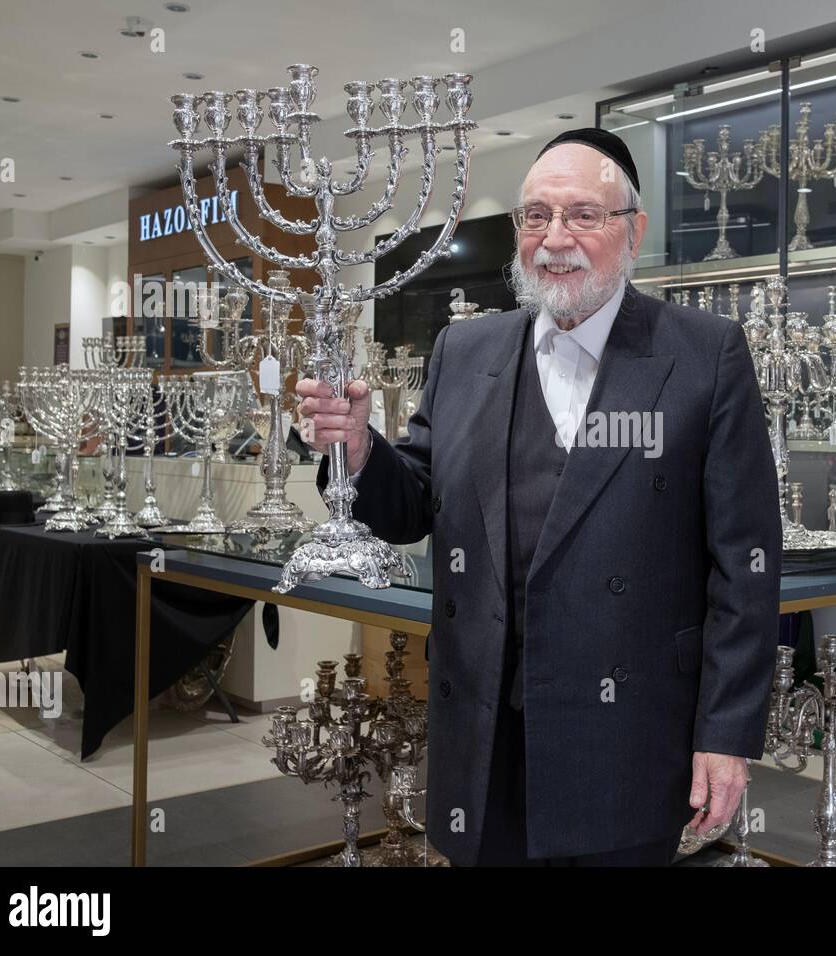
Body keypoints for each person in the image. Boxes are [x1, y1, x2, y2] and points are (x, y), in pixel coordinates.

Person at [296, 128, 781, 866]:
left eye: (584, 214)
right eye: (535, 217)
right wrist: (360, 450)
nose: (556, 238)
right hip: (485, 736)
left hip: (626, 739)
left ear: (633, 232)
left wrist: (726, 734)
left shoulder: (704, 355)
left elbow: (744, 568)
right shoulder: (467, 352)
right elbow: (413, 503)